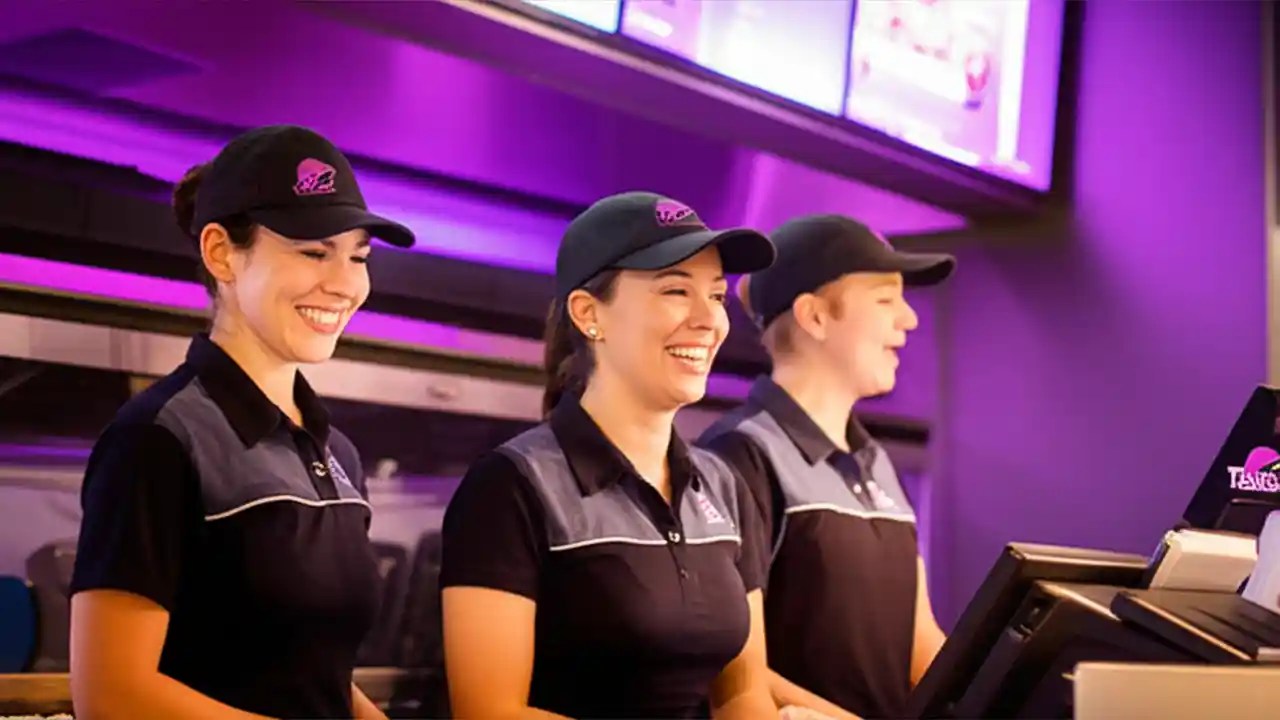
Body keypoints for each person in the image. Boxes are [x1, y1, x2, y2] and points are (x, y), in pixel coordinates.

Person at [68, 125, 415, 720]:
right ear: (221, 253)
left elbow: (310, 674)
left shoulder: (340, 457)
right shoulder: (160, 437)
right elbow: (111, 695)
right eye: (313, 251)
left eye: (358, 257)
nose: (345, 284)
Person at [440, 191, 779, 719]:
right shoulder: (511, 485)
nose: (709, 320)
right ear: (588, 313)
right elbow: (488, 712)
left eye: (715, 296)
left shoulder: (722, 484)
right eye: (675, 290)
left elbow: (742, 694)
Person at [698, 214, 956, 719]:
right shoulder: (738, 455)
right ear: (814, 316)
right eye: (886, 300)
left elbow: (921, 644)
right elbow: (730, 672)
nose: (909, 319)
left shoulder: (876, 462)